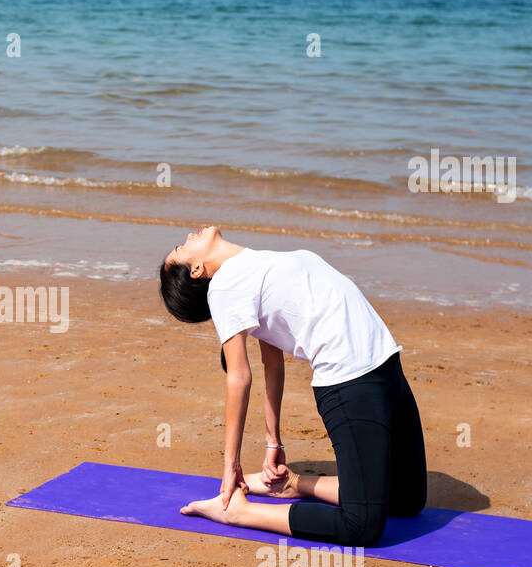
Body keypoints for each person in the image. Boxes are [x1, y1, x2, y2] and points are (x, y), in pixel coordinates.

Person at [158, 226, 426, 546]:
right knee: (362, 525)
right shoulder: (224, 288)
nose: (189, 235)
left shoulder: (257, 263)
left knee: (408, 498)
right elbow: (239, 376)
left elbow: (273, 363)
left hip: (385, 363)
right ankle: (238, 512)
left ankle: (295, 485)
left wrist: (274, 443)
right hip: (349, 381)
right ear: (197, 269)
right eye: (180, 246)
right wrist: (232, 468)